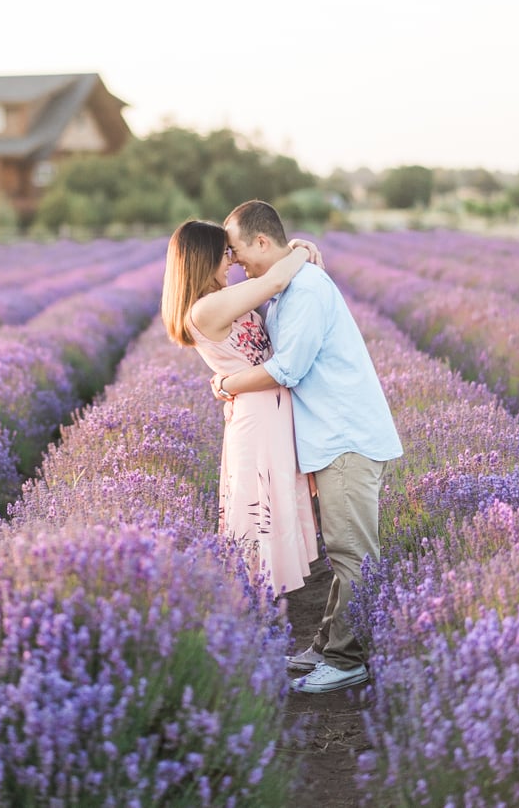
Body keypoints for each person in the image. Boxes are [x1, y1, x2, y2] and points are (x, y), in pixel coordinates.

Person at [211, 200, 403, 695]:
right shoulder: (288, 287)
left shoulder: (306, 288)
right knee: (344, 550)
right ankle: (329, 643)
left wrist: (229, 382)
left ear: (260, 242)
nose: (234, 264)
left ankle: (348, 660)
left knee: (353, 553)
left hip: (345, 437)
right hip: (328, 438)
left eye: (236, 251)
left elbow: (289, 368)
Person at [161, 218, 321, 599]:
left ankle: (264, 616)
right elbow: (274, 282)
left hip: (269, 412)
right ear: (202, 259)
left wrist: (291, 248)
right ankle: (255, 617)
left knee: (271, 508)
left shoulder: (217, 301)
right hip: (258, 418)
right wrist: (298, 251)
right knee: (257, 516)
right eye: (223, 253)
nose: (230, 261)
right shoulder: (204, 309)